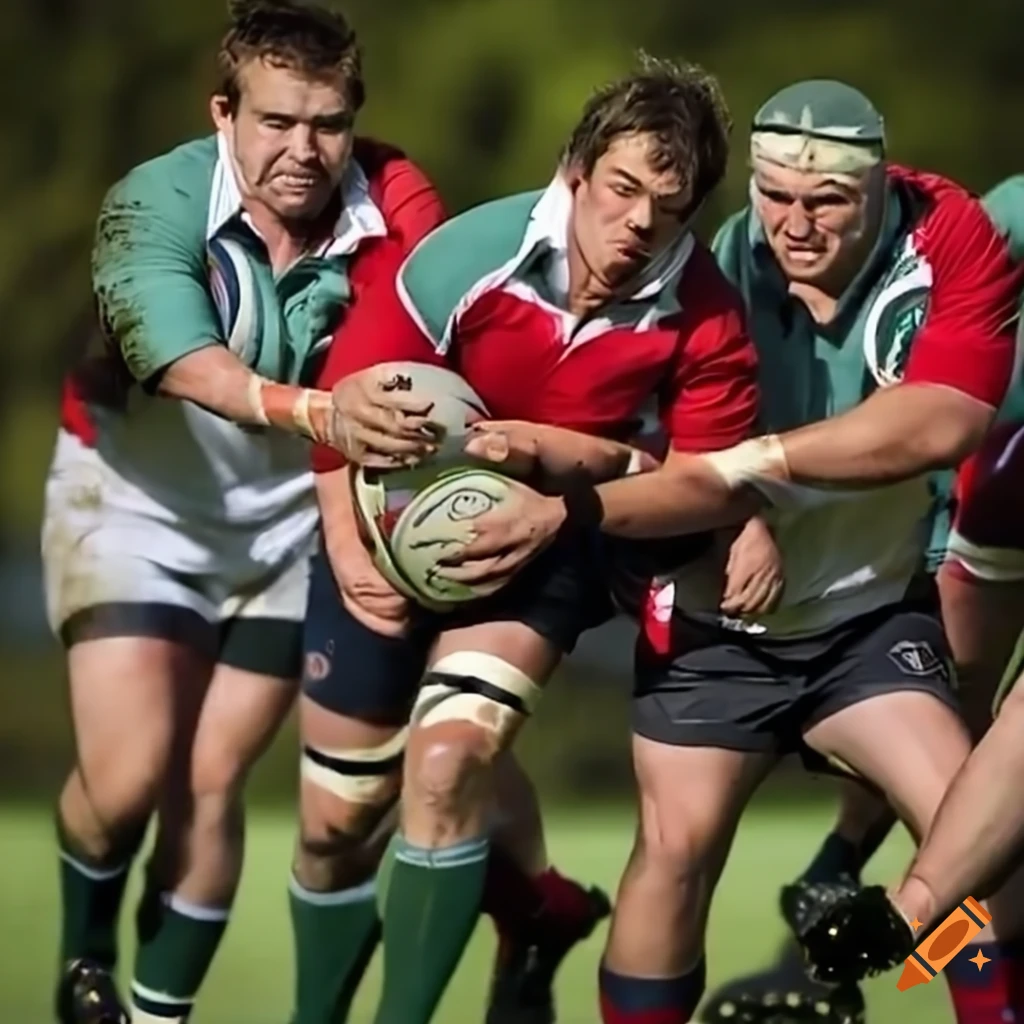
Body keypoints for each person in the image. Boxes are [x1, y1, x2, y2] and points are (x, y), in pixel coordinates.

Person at [441, 80, 1024, 1024]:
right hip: (717, 627)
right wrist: (712, 510)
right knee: (676, 853)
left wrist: (750, 467)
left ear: (876, 186)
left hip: (868, 623)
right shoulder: (697, 280)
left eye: (826, 201)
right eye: (775, 195)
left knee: (973, 848)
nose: (795, 223)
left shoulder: (946, 236)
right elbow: (639, 451)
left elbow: (940, 423)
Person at [310, 55, 764, 1024]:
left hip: (557, 543)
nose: (638, 222)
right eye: (622, 188)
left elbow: (701, 490)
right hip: (384, 527)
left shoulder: (708, 316)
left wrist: (567, 483)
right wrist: (348, 546)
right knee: (337, 820)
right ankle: (539, 911)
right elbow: (343, 406)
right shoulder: (463, 256)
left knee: (445, 763)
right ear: (575, 171)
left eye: (668, 207)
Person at [45, 2, 449, 1022]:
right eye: (276, 121)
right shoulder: (156, 200)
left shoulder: (396, 201)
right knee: (126, 780)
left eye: (328, 124)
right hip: (135, 503)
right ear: (223, 113)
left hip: (288, 519)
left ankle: (153, 1015)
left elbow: (433, 342)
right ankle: (83, 951)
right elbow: (184, 362)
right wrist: (319, 410)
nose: (303, 150)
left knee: (211, 778)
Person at [700, 172, 1024, 1024]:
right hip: (981, 490)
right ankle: (851, 878)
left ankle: (842, 873)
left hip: (976, 487)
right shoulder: (1009, 215)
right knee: (966, 766)